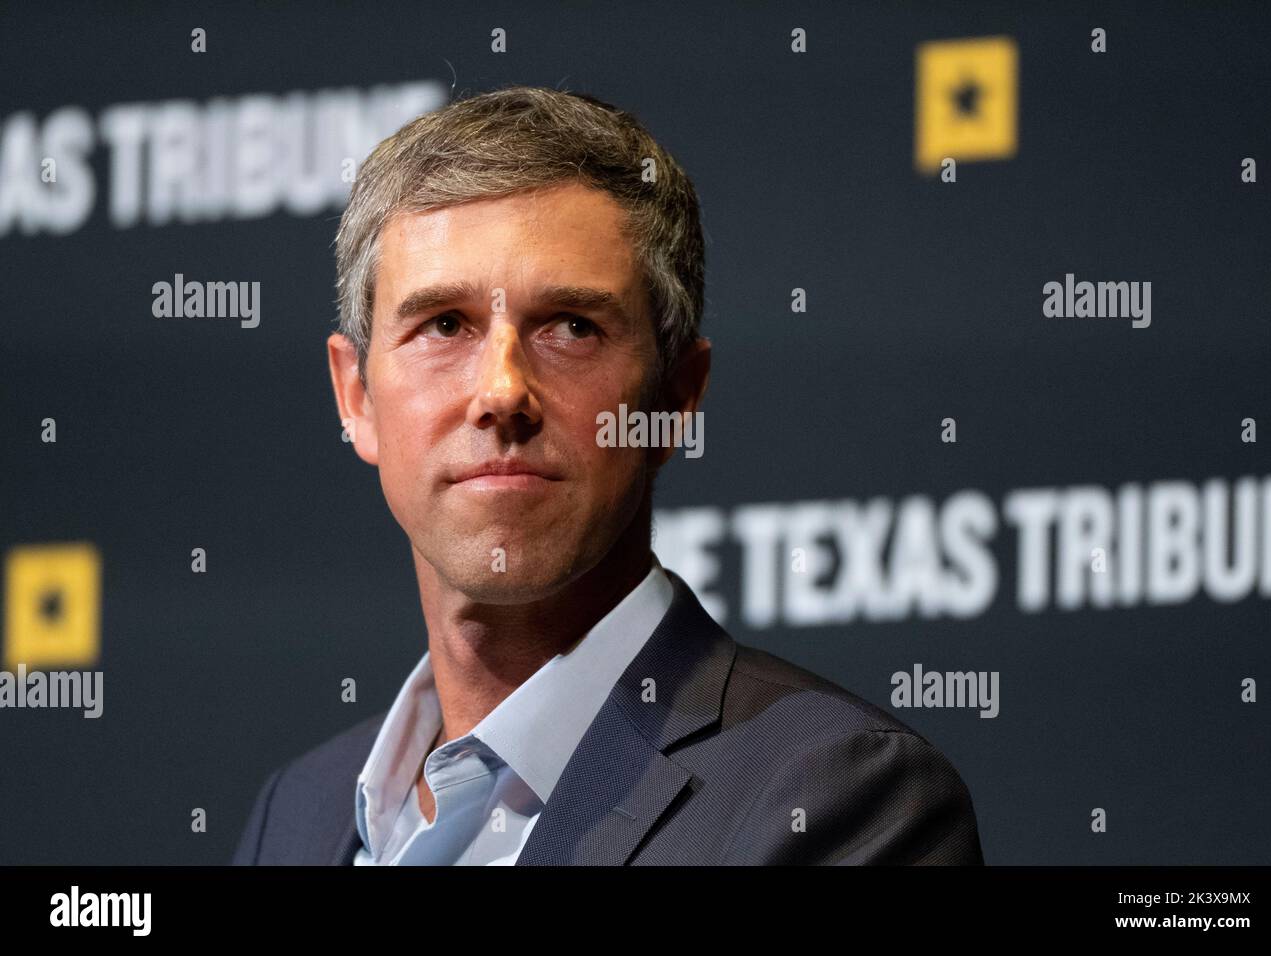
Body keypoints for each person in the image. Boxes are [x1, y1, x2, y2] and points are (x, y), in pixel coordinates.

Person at [231, 86, 983, 865]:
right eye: (444, 324)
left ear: (676, 397)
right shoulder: (294, 815)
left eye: (570, 327)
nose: (501, 392)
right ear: (355, 397)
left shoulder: (836, 796)